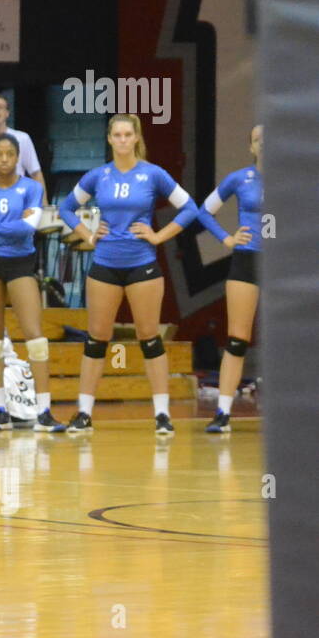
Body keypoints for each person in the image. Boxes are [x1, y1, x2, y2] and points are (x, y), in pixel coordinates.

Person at [57, 114, 200, 435]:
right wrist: (88, 234)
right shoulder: (99, 175)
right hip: (105, 264)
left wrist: (160, 236)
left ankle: (162, 414)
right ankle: (83, 413)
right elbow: (66, 207)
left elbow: (190, 207)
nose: (122, 140)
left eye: (127, 135)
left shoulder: (152, 174)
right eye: (116, 135)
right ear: (109, 139)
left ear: (136, 138)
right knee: (96, 340)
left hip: (142, 265)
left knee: (149, 338)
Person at [0, 134, 66, 433]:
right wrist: (4, 230)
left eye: (10, 154)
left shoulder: (32, 188)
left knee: (35, 337)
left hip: (21, 264)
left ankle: (44, 412)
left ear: (18, 157)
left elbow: (28, 229)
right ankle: (1, 411)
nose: (5, 159)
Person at [199, 124, 264, 434]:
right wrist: (227, 239)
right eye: (256, 139)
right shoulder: (240, 178)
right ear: (251, 148)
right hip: (247, 260)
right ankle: (223, 413)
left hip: (283, 264)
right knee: (237, 340)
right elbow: (204, 212)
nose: (264, 143)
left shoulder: (298, 178)